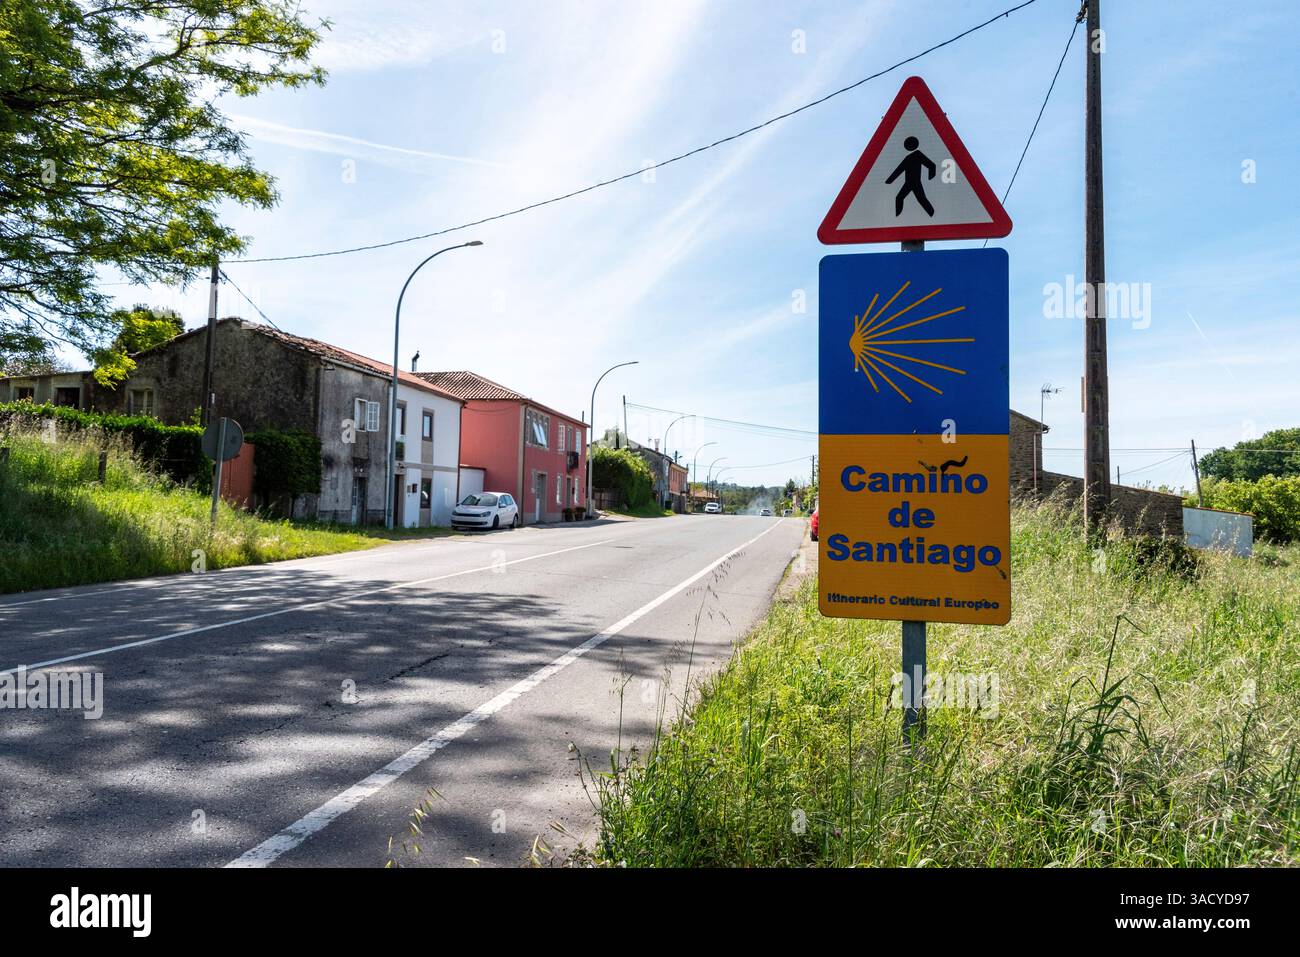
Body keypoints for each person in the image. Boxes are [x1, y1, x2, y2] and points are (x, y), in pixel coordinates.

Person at [885, 136, 936, 217]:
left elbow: (931, 165)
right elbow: (899, 170)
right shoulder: (908, 158)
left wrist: (931, 176)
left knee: (921, 199)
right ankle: (897, 217)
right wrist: (889, 181)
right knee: (899, 198)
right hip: (908, 183)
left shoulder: (918, 154)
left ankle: (932, 214)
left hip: (916, 182)